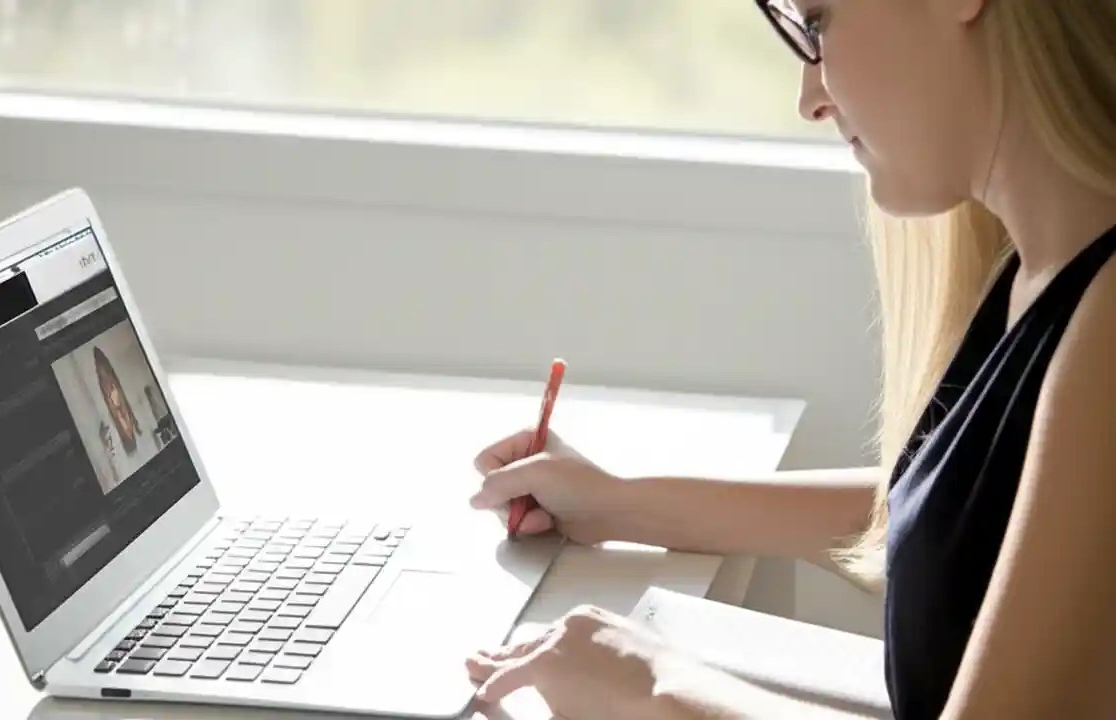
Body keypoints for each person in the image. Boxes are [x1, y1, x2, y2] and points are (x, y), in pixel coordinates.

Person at [464, 1, 1116, 717]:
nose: (811, 98)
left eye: (818, 24)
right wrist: (615, 501)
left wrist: (656, 688)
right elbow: (959, 516)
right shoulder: (1041, 268)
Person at [94, 345, 142, 456]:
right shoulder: (108, 384)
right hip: (115, 400)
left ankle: (130, 446)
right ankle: (130, 446)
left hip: (116, 400)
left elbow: (122, 409)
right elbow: (119, 409)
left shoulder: (109, 383)